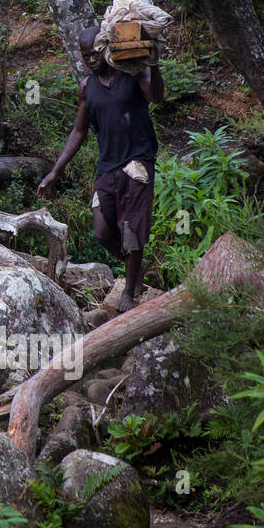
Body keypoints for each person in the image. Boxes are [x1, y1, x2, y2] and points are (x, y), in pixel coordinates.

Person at [37, 27, 164, 313]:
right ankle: (136, 265)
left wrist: (154, 66)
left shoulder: (132, 74)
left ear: (106, 48)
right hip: (108, 166)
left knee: (132, 230)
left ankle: (129, 292)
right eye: (86, 56)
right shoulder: (86, 87)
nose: (92, 59)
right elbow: (79, 131)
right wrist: (54, 172)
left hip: (138, 162)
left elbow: (156, 97)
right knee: (102, 231)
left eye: (95, 53)